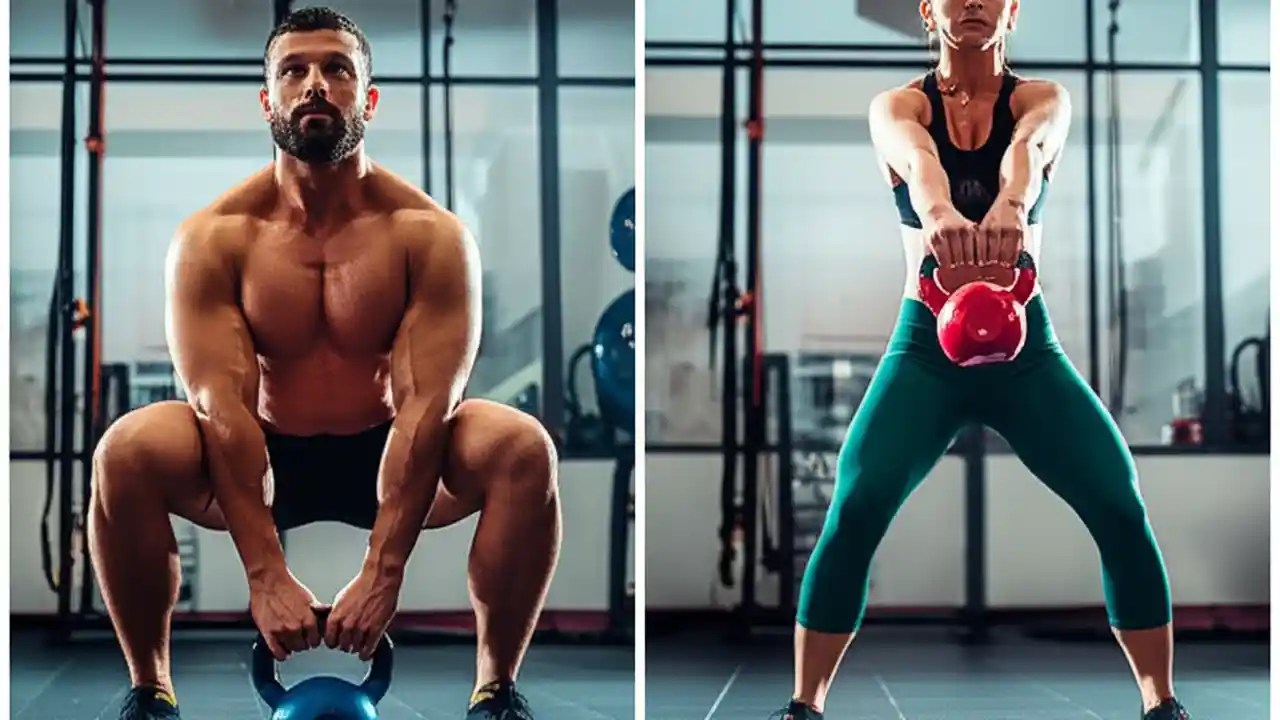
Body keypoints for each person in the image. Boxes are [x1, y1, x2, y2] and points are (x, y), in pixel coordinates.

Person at [88, 7, 561, 720]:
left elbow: (428, 407)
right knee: (124, 450)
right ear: (268, 99)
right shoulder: (213, 239)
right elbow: (221, 408)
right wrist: (264, 574)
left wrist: (383, 572)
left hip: (392, 453)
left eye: (337, 69)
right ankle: (149, 691)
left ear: (366, 98)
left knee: (524, 448)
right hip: (257, 457)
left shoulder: (429, 236)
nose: (315, 84)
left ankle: (496, 691)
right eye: (294, 70)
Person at [773, 2, 1191, 719]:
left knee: (1119, 502)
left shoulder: (1044, 99)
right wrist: (937, 213)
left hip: (1027, 350)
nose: (973, 3)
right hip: (925, 348)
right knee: (857, 505)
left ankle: (1162, 707)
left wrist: (1012, 207)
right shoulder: (898, 105)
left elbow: (1029, 148)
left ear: (1012, 9)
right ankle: (804, 708)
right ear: (928, 10)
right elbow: (917, 158)